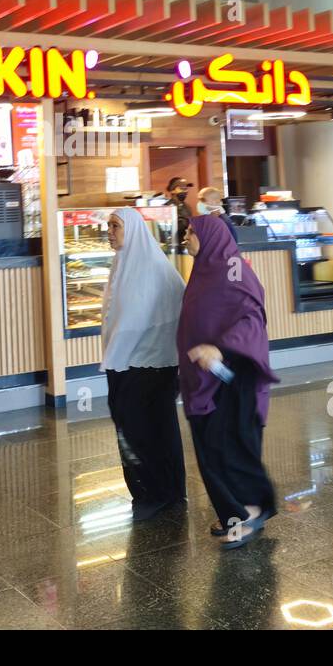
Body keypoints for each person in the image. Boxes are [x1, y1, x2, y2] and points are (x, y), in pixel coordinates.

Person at [177, 214, 280, 550]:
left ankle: (251, 512)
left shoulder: (234, 271)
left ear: (213, 237)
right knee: (209, 449)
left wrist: (220, 349)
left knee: (230, 447)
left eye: (193, 231)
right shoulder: (204, 271)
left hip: (233, 379)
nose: (186, 236)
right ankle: (232, 513)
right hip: (204, 378)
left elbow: (252, 318)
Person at [101, 208, 188, 521]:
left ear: (134, 230)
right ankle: (154, 492)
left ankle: (161, 493)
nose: (109, 231)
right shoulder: (123, 263)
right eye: (108, 225)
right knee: (141, 429)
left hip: (151, 367)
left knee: (148, 430)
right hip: (126, 364)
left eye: (115, 226)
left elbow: (137, 321)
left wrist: (116, 355)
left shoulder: (151, 267)